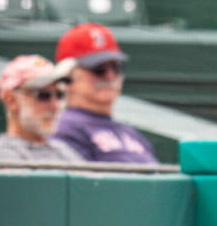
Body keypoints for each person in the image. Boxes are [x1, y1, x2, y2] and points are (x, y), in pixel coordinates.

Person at [52, 22, 157, 164]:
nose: (110, 76)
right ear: (68, 75)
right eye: (98, 69)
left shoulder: (130, 132)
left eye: (116, 67)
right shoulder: (62, 127)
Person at [0, 54, 83, 164]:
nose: (56, 106)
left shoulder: (65, 151)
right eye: (43, 95)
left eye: (59, 95)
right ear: (11, 100)